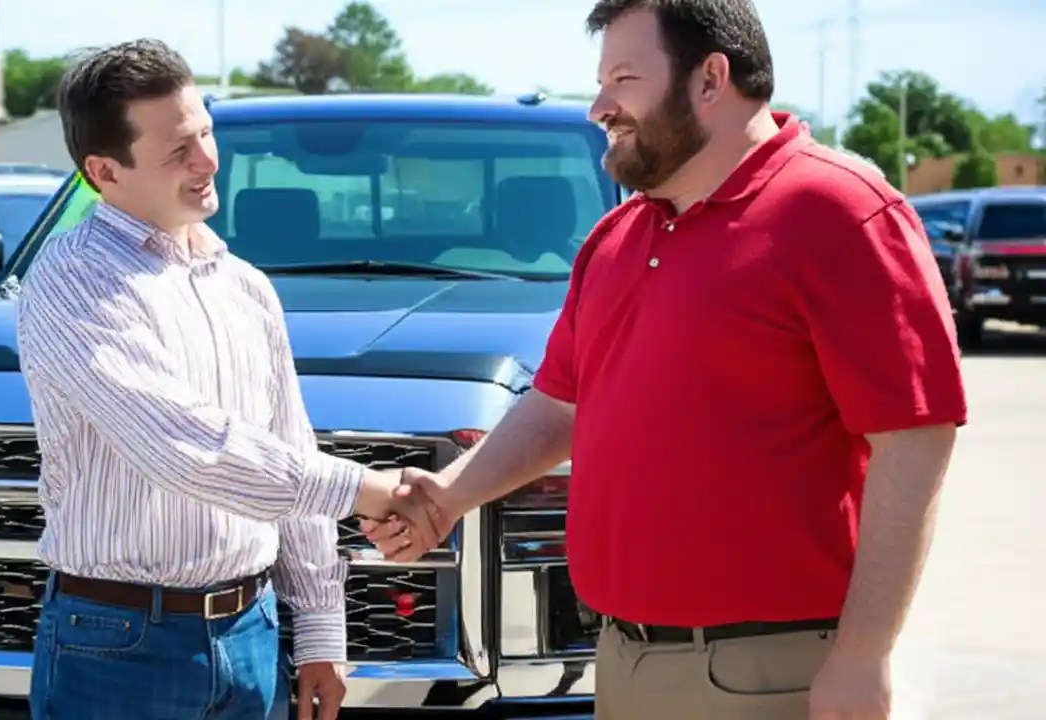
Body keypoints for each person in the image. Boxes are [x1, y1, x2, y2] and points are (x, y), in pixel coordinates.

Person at [363, 1, 966, 718]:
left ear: (711, 78)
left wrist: (865, 654)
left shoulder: (840, 214)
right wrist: (448, 496)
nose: (598, 107)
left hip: (768, 670)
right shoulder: (615, 240)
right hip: (619, 659)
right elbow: (560, 406)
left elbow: (915, 436)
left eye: (623, 79)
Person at [16, 39, 429, 720]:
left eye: (206, 131)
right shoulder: (72, 280)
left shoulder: (245, 288)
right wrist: (369, 490)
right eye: (178, 150)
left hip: (253, 638)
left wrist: (321, 629)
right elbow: (185, 447)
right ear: (102, 172)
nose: (209, 160)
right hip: (117, 652)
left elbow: (287, 451)